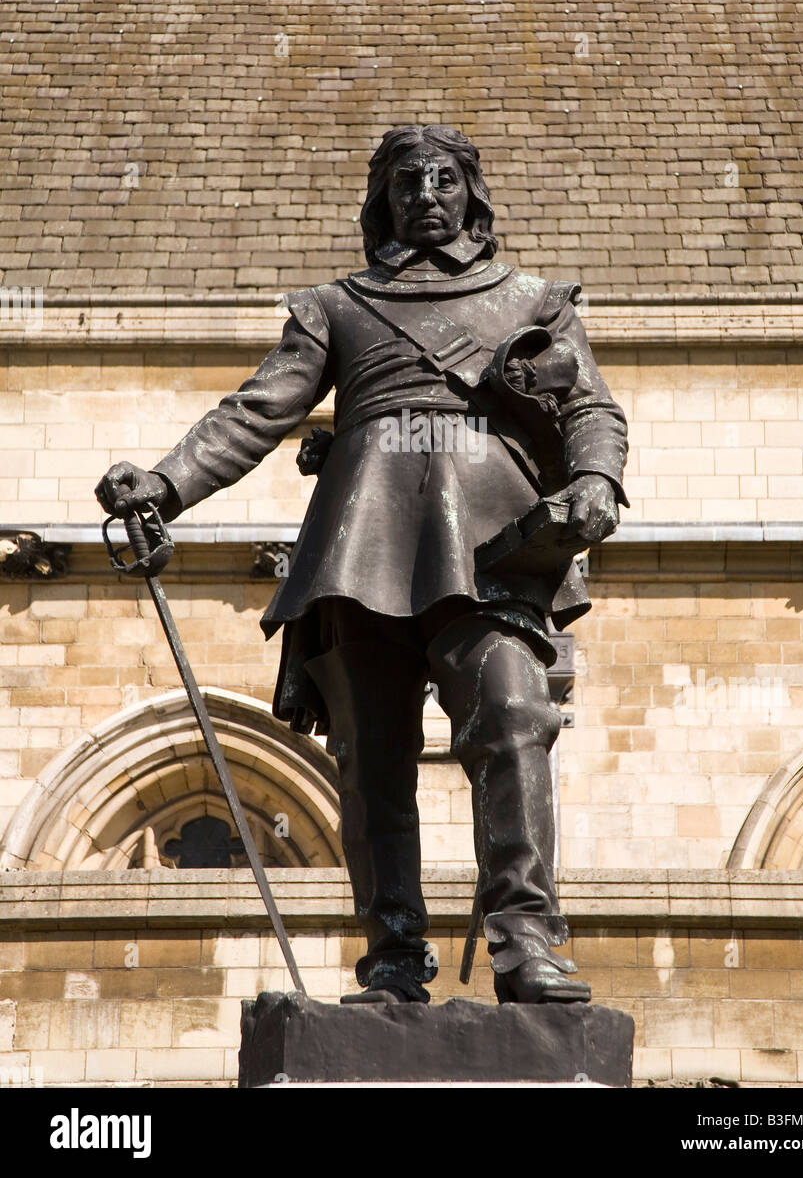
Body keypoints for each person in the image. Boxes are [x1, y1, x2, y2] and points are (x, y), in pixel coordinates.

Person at [96, 125, 629, 1005]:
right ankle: (391, 955)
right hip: (361, 546)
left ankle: (526, 939)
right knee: (369, 760)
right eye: (407, 181)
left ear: (472, 194)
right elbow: (254, 414)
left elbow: (591, 411)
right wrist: (163, 483)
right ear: (383, 199)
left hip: (492, 545)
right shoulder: (336, 306)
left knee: (512, 715)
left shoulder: (534, 301)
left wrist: (598, 479)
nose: (426, 193)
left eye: (445, 179)